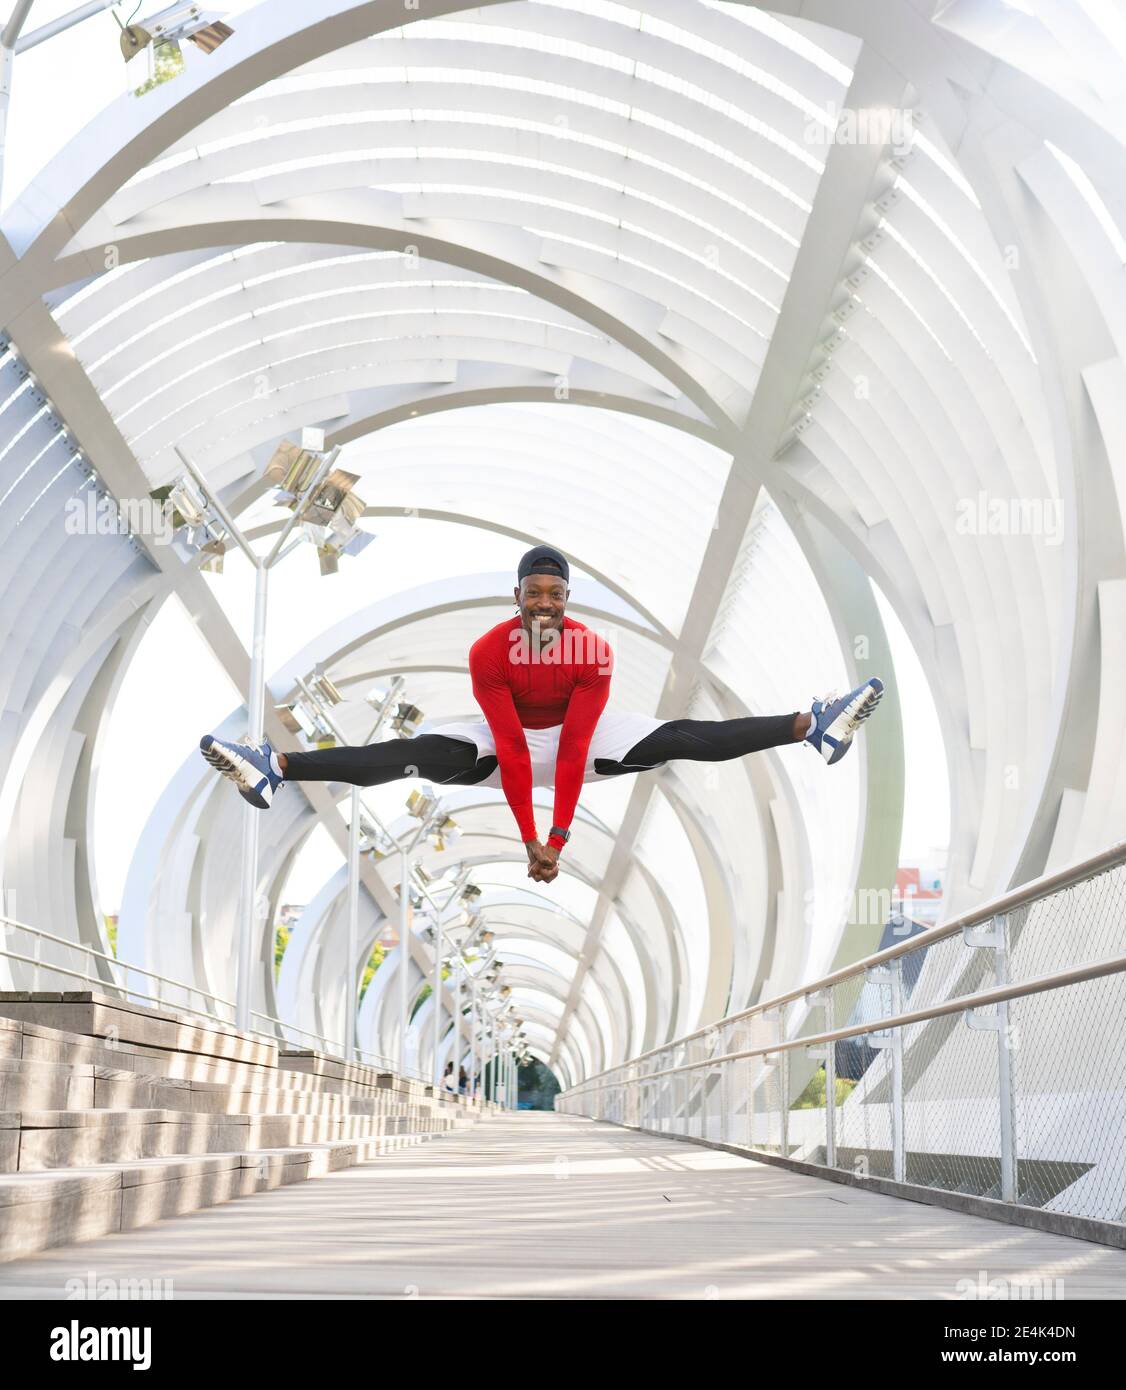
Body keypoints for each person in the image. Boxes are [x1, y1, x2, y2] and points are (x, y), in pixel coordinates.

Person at [200, 544, 884, 884]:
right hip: (507, 743)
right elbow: (516, 753)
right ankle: (275, 766)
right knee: (420, 754)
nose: (546, 603)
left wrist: (556, 839)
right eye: (535, 592)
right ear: (518, 595)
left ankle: (812, 725)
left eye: (557, 593)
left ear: (567, 597)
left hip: (580, 739)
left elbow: (577, 745)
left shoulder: (593, 652)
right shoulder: (487, 652)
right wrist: (533, 839)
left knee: (678, 737)